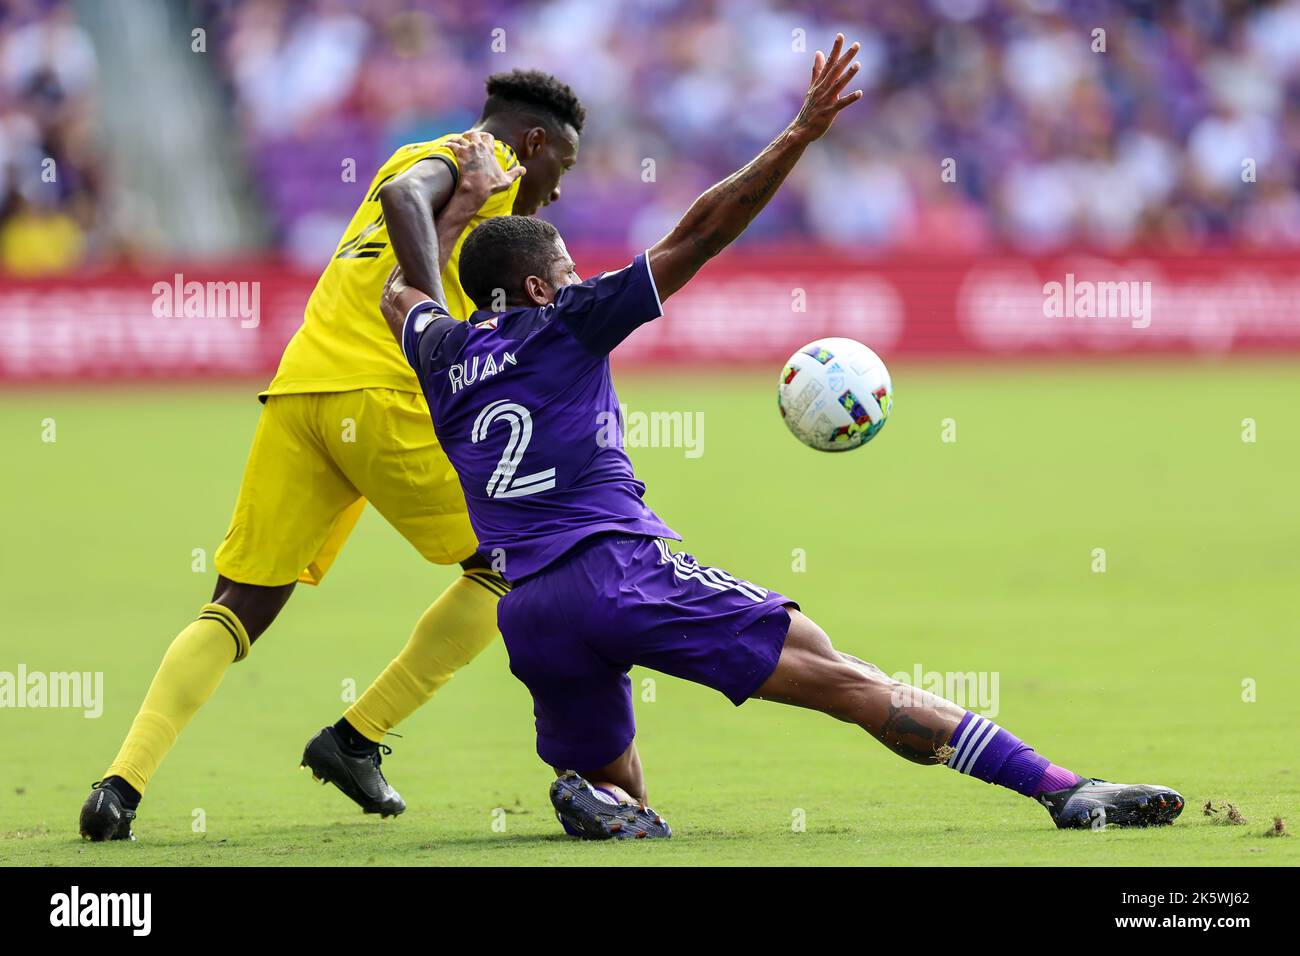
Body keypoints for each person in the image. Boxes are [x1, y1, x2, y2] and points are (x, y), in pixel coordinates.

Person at [384, 37, 1183, 838]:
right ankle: (1061, 788)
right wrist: (798, 134)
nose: (576, 279)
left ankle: (608, 805)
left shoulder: (436, 349)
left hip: (528, 610)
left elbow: (403, 290)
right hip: (619, 568)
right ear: (536, 288)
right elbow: (700, 232)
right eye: (563, 270)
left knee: (615, 781)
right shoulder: (569, 323)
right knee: (843, 677)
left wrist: (460, 210)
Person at [79, 70, 584, 842]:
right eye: (563, 168)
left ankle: (119, 787)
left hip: (302, 389)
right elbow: (406, 200)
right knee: (514, 562)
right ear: (536, 141)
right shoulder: (478, 158)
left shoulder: (433, 158)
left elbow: (414, 208)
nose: (555, 191)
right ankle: (357, 738)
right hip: (378, 396)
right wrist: (434, 317)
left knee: (238, 604)